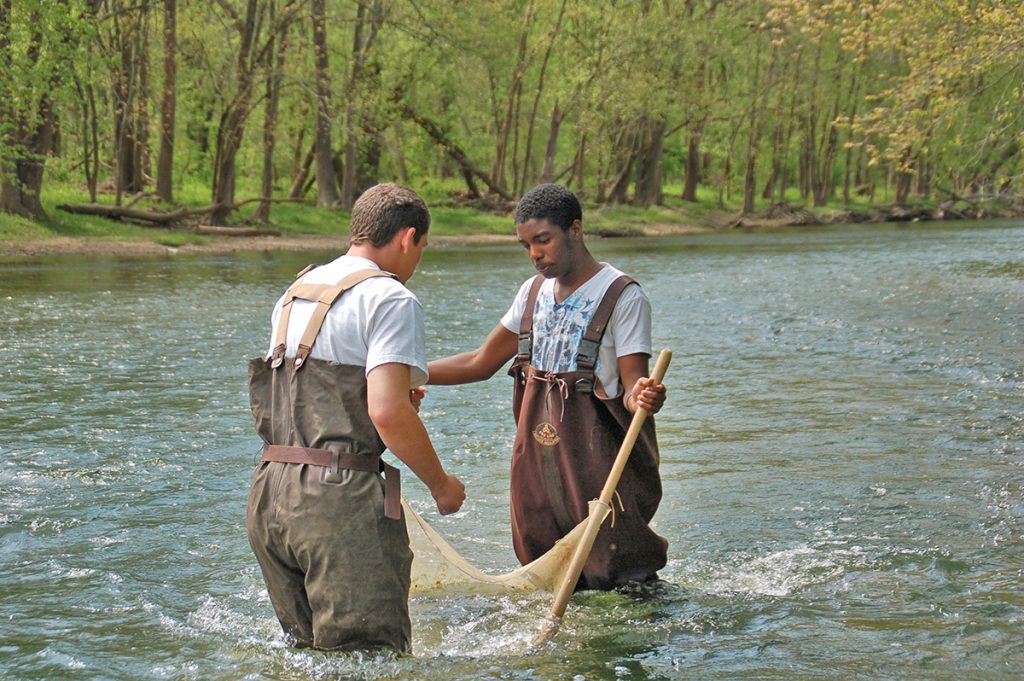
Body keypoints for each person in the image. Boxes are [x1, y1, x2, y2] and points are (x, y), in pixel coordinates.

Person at [246, 183, 466, 652]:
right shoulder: (390, 299)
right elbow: (386, 412)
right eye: (421, 249)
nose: (416, 263)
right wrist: (441, 485)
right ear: (408, 237)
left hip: (271, 494)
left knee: (307, 656)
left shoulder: (295, 292)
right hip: (337, 503)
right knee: (369, 659)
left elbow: (314, 401)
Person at [428, 183, 667, 590]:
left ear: (575, 230)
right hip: (537, 463)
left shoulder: (622, 296)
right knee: (543, 565)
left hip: (597, 466)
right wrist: (404, 374)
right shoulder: (531, 293)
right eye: (525, 245)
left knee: (616, 576)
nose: (535, 255)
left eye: (543, 241)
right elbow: (479, 362)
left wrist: (644, 394)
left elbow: (631, 390)